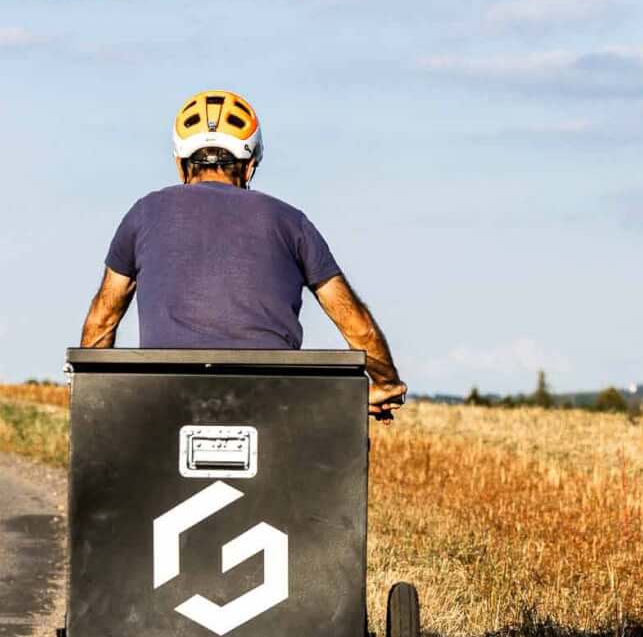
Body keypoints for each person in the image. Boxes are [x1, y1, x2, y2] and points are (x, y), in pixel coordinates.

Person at [79, 89, 407, 420]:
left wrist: (92, 398)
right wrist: (385, 382)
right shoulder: (291, 222)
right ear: (249, 166)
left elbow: (102, 320)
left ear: (180, 165)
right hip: (272, 398)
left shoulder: (143, 213)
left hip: (167, 398)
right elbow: (356, 325)